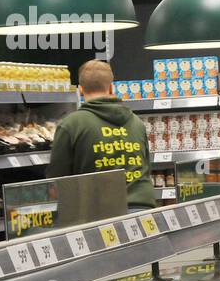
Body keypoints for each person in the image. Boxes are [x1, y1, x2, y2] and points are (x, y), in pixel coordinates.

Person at [48, 60, 155, 209]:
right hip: (143, 208)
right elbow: (146, 167)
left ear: (80, 90)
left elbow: (57, 182)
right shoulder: (137, 123)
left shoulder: (71, 125)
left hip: (100, 214)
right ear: (111, 88)